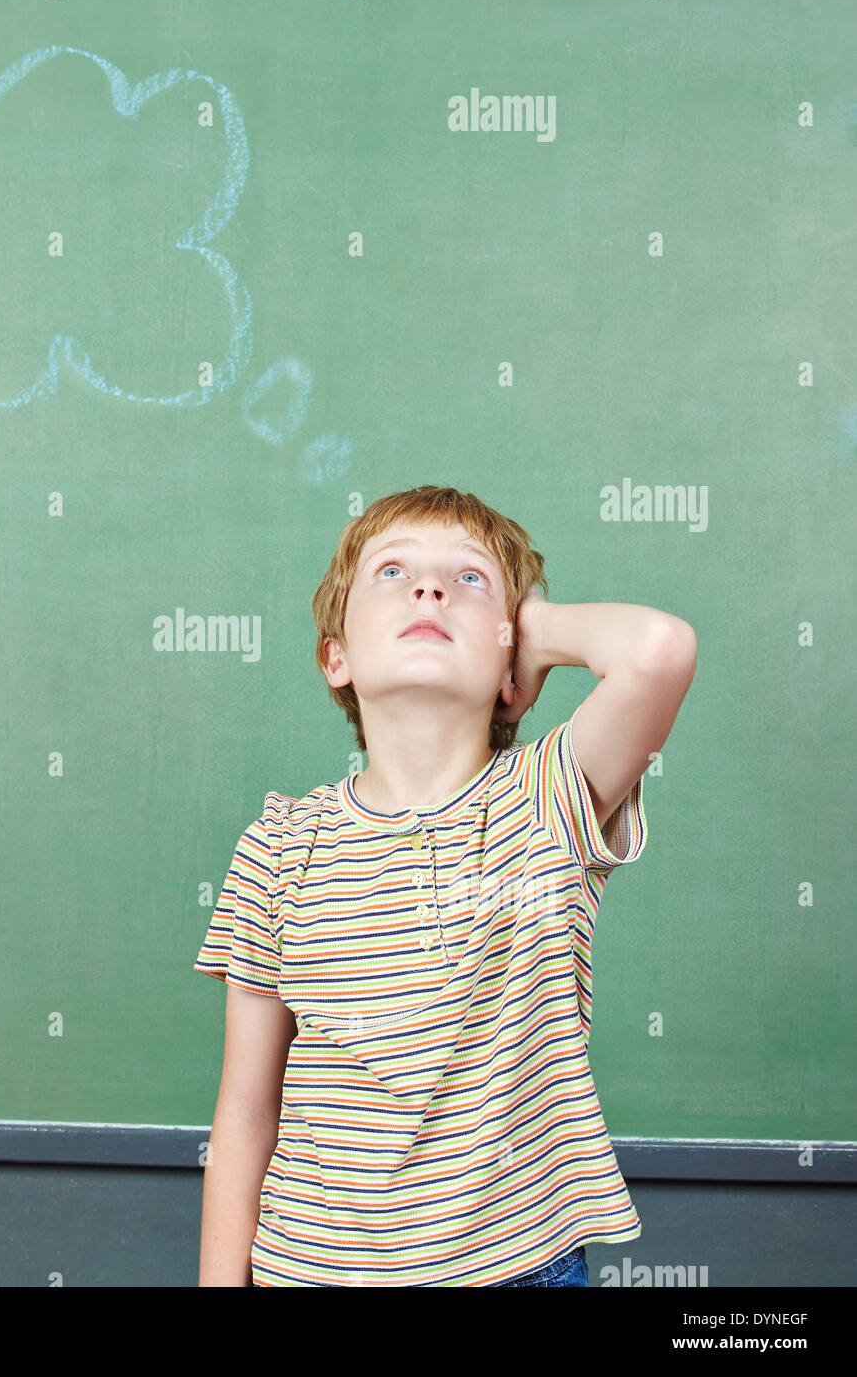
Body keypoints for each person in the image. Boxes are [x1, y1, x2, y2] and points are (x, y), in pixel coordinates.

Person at [194, 484, 697, 1287]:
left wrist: (529, 634)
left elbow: (659, 649)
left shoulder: (548, 801)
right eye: (392, 573)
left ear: (511, 665)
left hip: (514, 1272)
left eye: (469, 581)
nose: (429, 588)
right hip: (308, 1271)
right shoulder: (282, 846)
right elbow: (246, 1109)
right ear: (338, 656)